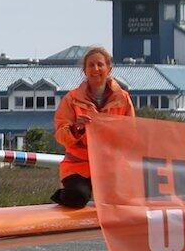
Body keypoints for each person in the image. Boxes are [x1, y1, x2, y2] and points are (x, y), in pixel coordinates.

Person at [51, 46, 134, 210]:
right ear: (84, 70)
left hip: (111, 167)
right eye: (91, 65)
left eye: (100, 64)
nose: (95, 69)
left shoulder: (123, 98)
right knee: (77, 197)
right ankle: (60, 195)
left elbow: (132, 134)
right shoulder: (71, 99)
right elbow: (60, 134)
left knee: (123, 202)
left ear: (109, 68)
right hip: (78, 166)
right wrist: (77, 129)